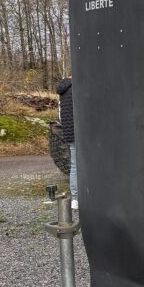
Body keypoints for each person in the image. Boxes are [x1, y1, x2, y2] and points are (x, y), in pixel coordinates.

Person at [56, 75, 78, 209]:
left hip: (69, 133)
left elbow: (60, 115)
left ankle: (75, 199)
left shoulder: (63, 91)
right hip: (82, 133)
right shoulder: (78, 87)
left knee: (75, 166)